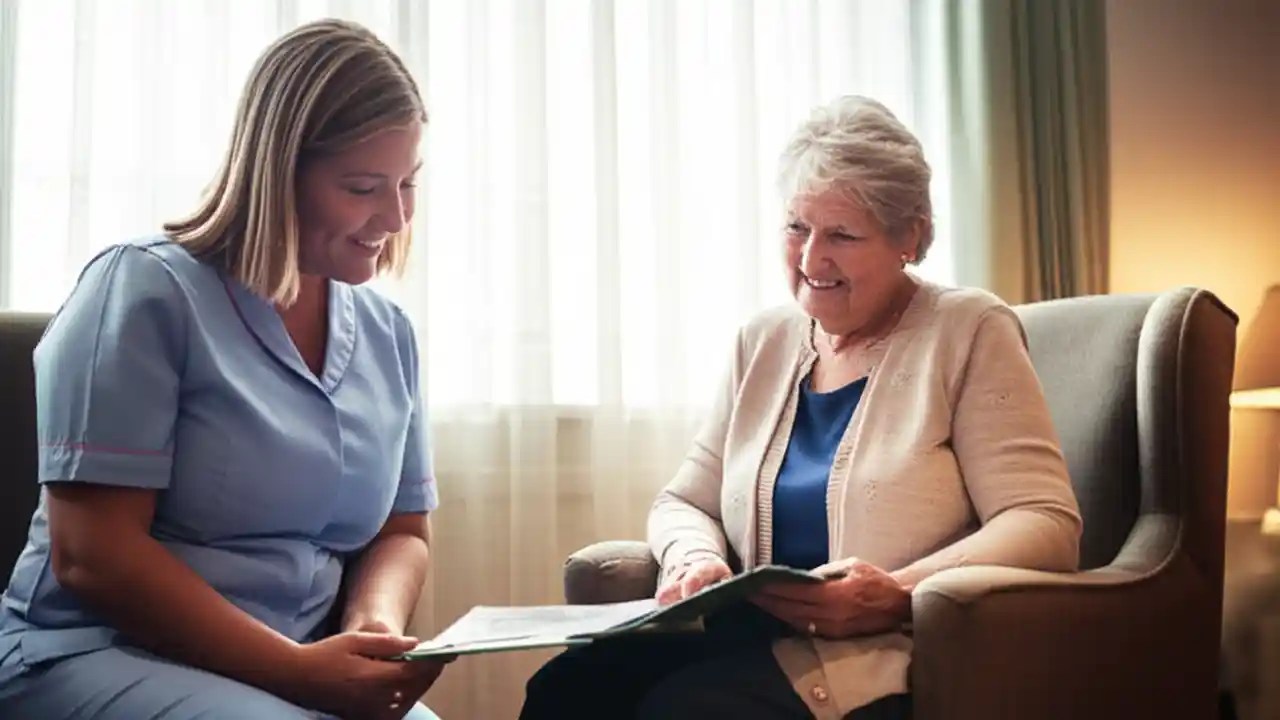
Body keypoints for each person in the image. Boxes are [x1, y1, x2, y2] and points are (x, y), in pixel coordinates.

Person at [520, 95, 1083, 720]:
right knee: (564, 689)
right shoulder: (763, 341)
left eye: (842, 235)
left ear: (911, 236)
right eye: (797, 227)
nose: (812, 259)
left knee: (685, 710)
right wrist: (695, 555)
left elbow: (1044, 521)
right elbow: (684, 501)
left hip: (885, 657)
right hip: (749, 643)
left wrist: (898, 592)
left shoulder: (969, 329)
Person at [0, 19, 446, 720]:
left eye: (408, 183)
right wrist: (295, 671)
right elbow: (92, 555)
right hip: (95, 652)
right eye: (362, 187)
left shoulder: (390, 334)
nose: (393, 215)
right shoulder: (144, 291)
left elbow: (402, 531)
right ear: (278, 171)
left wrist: (371, 628)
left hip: (292, 667)